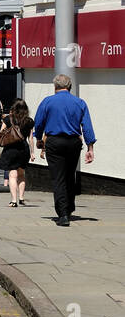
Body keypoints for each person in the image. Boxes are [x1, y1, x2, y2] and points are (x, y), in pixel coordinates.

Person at [33, 74, 96, 226]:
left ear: (55, 87)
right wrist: (90, 147)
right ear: (69, 87)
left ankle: (63, 214)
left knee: (58, 178)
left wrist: (39, 139)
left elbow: (39, 122)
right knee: (70, 175)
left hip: (54, 142)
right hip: (74, 142)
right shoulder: (79, 102)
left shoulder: (47, 101)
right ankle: (69, 207)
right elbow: (87, 126)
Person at [0, 99, 35, 207]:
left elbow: (0, 133)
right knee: (21, 174)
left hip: (11, 149)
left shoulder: (8, 119)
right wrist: (32, 152)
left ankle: (13, 200)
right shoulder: (29, 121)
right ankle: (21, 198)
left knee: (12, 175)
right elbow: (31, 138)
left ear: (14, 108)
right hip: (24, 149)